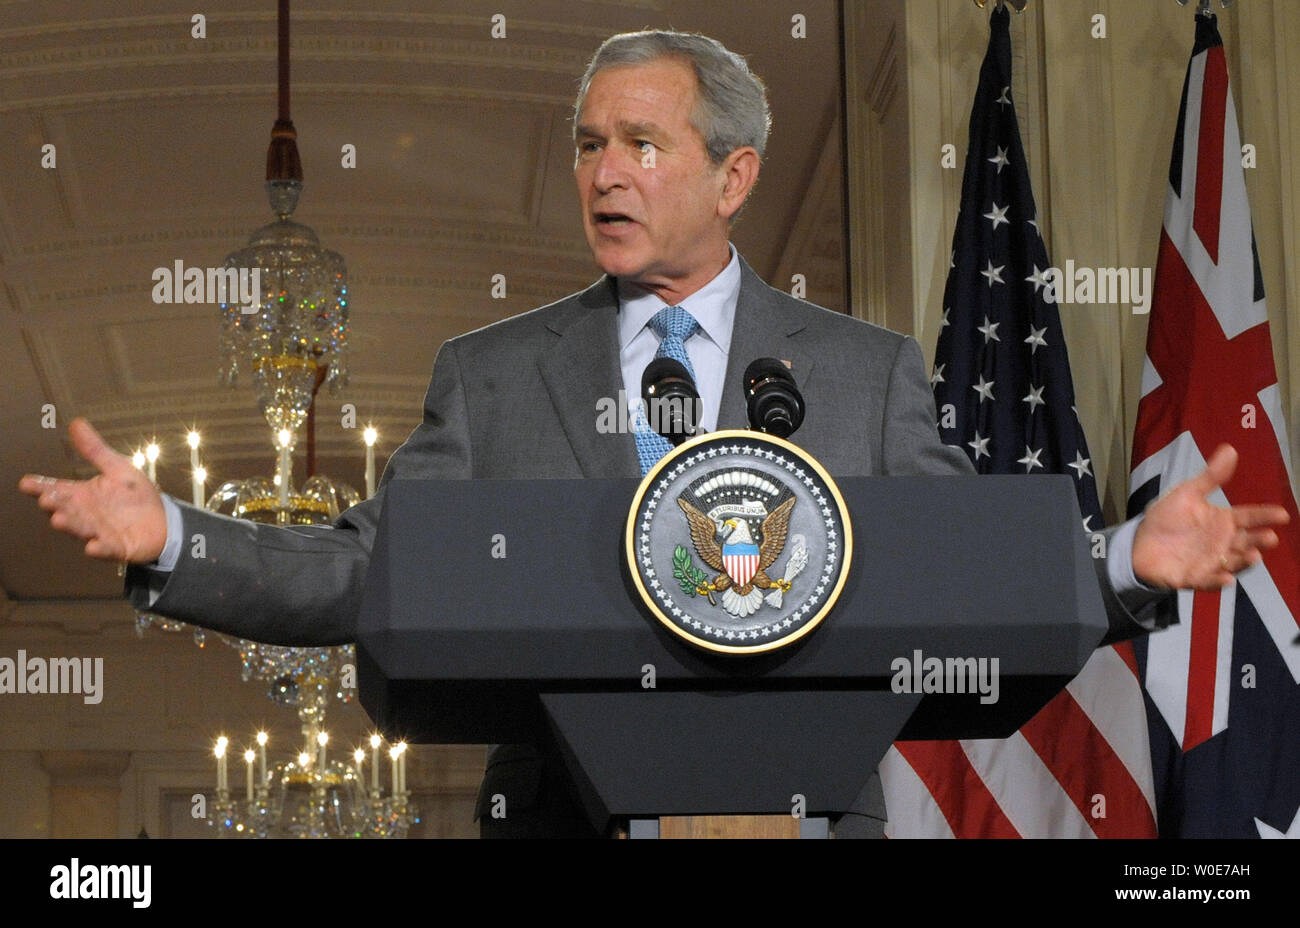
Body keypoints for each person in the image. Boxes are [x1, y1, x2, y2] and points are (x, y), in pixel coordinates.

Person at [20, 30, 1289, 838]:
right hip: (556, 815)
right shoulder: (494, 375)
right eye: (586, 146)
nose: (602, 173)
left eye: (640, 143)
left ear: (732, 177)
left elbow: (957, 578)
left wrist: (1126, 560)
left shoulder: (862, 373)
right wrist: (178, 535)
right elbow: (369, 566)